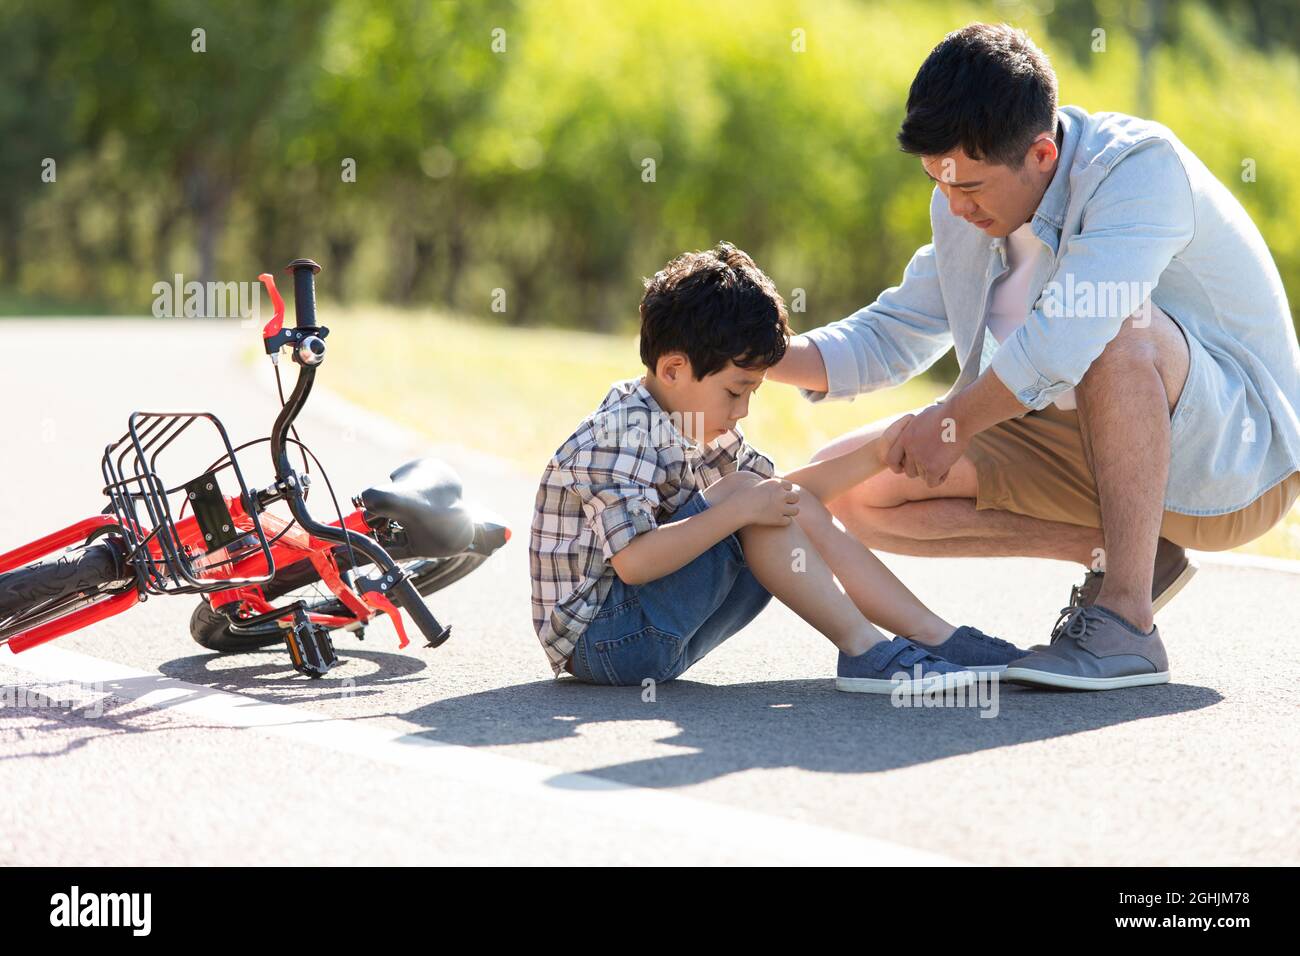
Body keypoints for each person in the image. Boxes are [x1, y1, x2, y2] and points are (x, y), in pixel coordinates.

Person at [765, 23, 1300, 690]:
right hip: (1094, 448)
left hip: (1234, 466)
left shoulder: (1138, 170)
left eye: (972, 187)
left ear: (1042, 154)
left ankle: (1127, 623)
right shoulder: (964, 202)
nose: (955, 205)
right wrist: (759, 356)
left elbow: (1066, 341)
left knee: (1112, 322)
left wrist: (955, 421)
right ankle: (1127, 558)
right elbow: (894, 331)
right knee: (852, 484)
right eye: (939, 180)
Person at [529, 241, 1025, 694]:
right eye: (735, 391)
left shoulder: (692, 418)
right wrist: (740, 509)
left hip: (655, 634)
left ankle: (931, 635)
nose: (741, 411)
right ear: (673, 369)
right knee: (748, 499)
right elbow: (634, 563)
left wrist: (875, 456)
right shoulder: (622, 433)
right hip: (606, 640)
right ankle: (866, 651)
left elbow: (782, 496)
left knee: (766, 499)